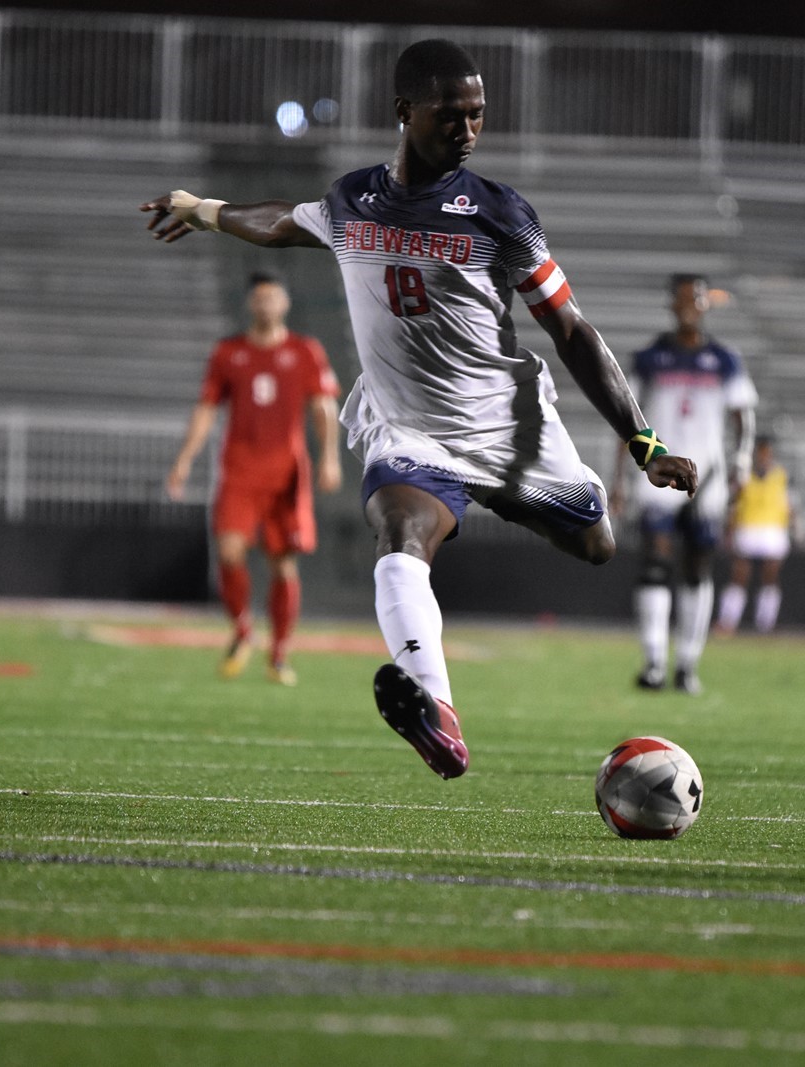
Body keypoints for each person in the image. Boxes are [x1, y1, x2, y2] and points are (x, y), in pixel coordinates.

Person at [142, 38, 698, 779]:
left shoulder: (500, 212)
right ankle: (438, 712)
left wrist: (643, 440)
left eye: (478, 115)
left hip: (506, 423)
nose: (468, 129)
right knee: (401, 530)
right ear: (404, 112)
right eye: (451, 115)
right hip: (408, 427)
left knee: (596, 543)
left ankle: (500, 494)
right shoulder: (350, 199)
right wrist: (205, 209)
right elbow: (280, 220)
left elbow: (570, 328)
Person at [165, 272, 342, 686]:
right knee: (229, 551)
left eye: (273, 298)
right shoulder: (229, 352)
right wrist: (185, 457)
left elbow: (323, 407)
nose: (266, 306)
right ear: (251, 304)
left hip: (285, 474)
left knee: (283, 565)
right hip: (240, 471)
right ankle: (243, 629)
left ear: (285, 304)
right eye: (260, 299)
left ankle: (279, 653)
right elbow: (207, 407)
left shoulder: (305, 351)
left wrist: (330, 457)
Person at [611, 274, 754, 694]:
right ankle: (654, 661)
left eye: (697, 298)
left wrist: (740, 465)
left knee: (697, 567)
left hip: (707, 477)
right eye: (683, 299)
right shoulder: (650, 359)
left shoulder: (726, 360)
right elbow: (626, 416)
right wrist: (618, 477)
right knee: (655, 563)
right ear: (672, 305)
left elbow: (743, 416)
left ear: (708, 304)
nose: (690, 305)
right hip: (657, 473)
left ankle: (687, 664)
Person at [716, 434, 801, 636]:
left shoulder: (782, 476)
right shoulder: (743, 476)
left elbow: (789, 506)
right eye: (760, 452)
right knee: (739, 576)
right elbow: (733, 506)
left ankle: (766, 624)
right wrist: (729, 530)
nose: (763, 456)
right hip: (747, 527)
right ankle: (727, 622)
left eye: (766, 452)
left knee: (770, 577)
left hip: (773, 530)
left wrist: (796, 528)